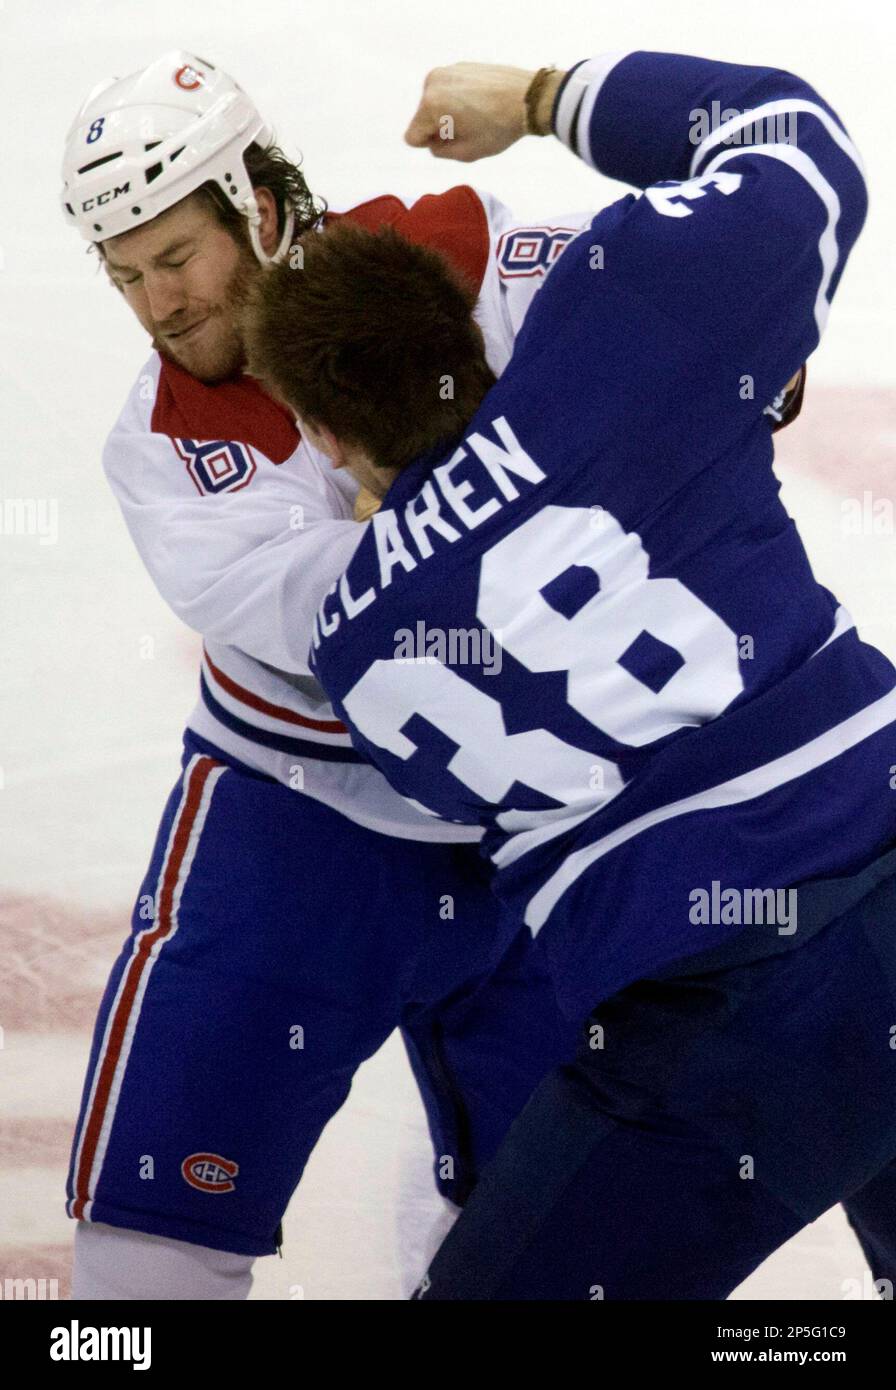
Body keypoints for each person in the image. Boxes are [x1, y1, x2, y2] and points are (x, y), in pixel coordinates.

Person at [246, 52, 896, 1299]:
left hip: (719, 1038)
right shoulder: (619, 325)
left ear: (325, 433)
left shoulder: (359, 649)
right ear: (466, 331)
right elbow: (791, 132)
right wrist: (540, 96)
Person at [60, 48, 588, 1300]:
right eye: (125, 275)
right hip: (297, 831)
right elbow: (366, 624)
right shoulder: (164, 455)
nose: (159, 306)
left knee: (570, 1252)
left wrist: (743, 367)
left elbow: (659, 285)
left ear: (254, 200)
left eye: (176, 257)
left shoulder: (446, 249)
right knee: (144, 1264)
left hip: (544, 826)